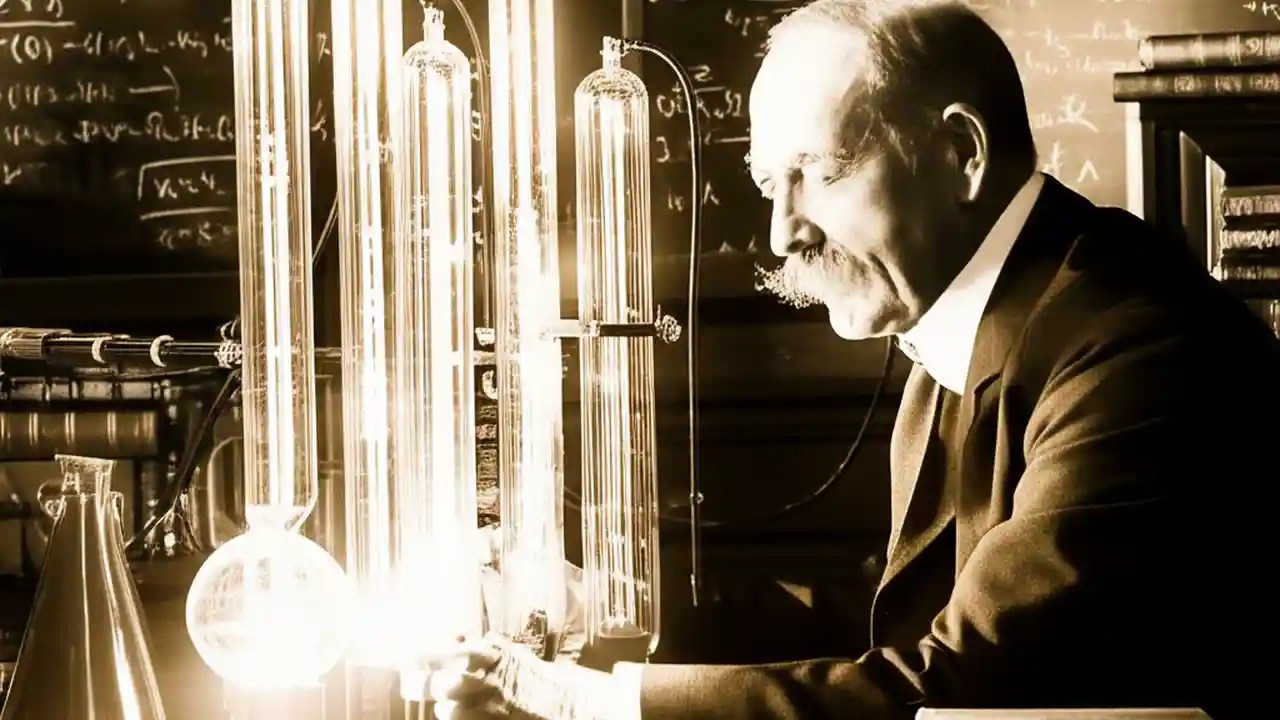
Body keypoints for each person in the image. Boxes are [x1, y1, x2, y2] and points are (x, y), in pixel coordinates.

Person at [424, 0, 1279, 717]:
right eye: (770, 185)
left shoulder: (1132, 347)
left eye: (817, 174)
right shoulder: (974, 321)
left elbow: (967, 683)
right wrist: (606, 611)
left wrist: (583, 702)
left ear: (961, 155)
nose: (781, 232)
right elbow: (880, 610)